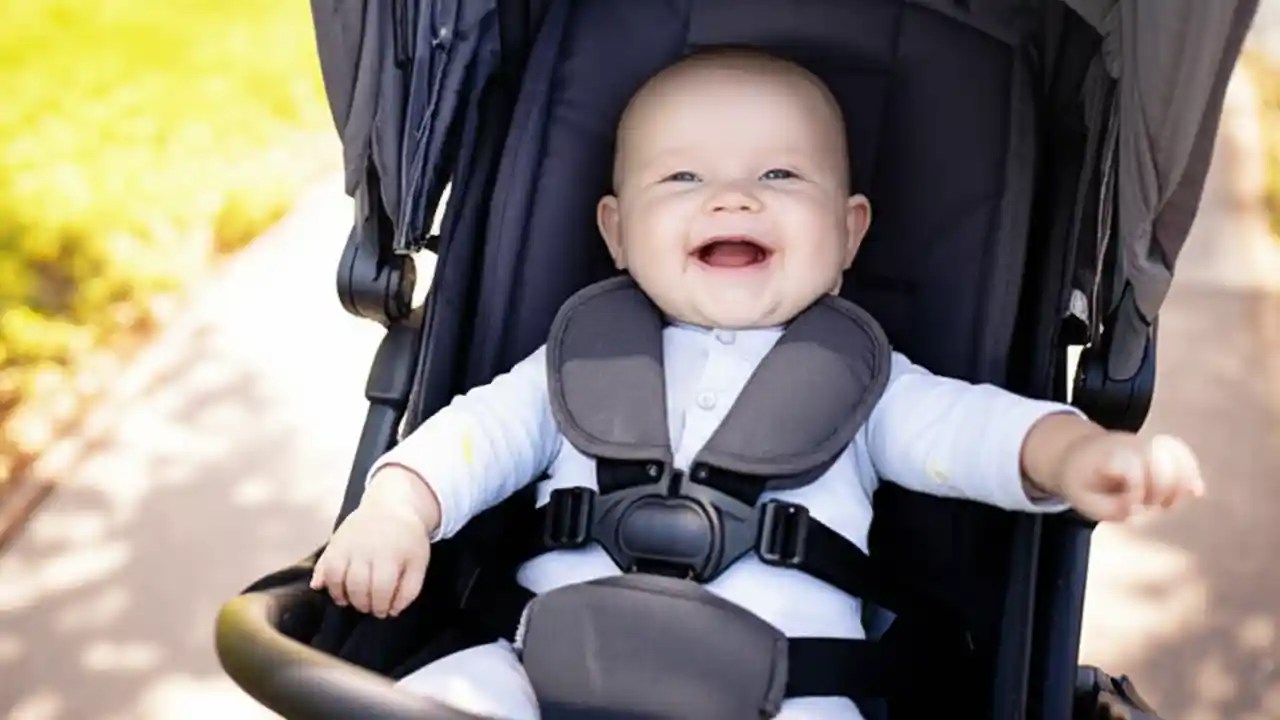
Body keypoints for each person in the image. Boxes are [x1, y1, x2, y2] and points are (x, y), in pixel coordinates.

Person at [310, 49, 1205, 719]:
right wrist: (397, 508)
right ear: (616, 233)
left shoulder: (864, 384)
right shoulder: (578, 361)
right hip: (542, 675)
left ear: (849, 233)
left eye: (779, 175)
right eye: (683, 176)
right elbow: (474, 439)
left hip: (784, 693)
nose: (733, 198)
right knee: (444, 695)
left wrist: (1075, 455)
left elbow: (974, 433)